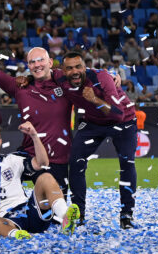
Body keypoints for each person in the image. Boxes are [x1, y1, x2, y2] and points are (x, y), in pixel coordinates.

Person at [0, 122, 79, 239]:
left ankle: (64, 216)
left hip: (30, 211)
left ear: (1, 141)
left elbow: (42, 163)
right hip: (6, 220)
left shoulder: (12, 160)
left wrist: (34, 136)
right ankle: (18, 236)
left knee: (45, 177)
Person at [56, 51, 138, 227]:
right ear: (63, 71)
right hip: (93, 123)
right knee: (75, 161)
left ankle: (126, 215)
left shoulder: (102, 77)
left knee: (127, 163)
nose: (74, 71)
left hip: (124, 121)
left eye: (78, 66)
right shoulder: (59, 79)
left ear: (85, 67)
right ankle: (78, 213)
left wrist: (95, 99)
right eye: (69, 68)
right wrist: (27, 79)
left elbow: (118, 114)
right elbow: (43, 74)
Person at [0, 44, 73, 195]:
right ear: (28, 65)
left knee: (53, 213)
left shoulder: (65, 85)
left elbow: (82, 74)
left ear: (50, 63)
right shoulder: (20, 87)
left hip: (57, 160)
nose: (37, 65)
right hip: (29, 156)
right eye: (32, 62)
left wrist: (108, 77)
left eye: (40, 60)